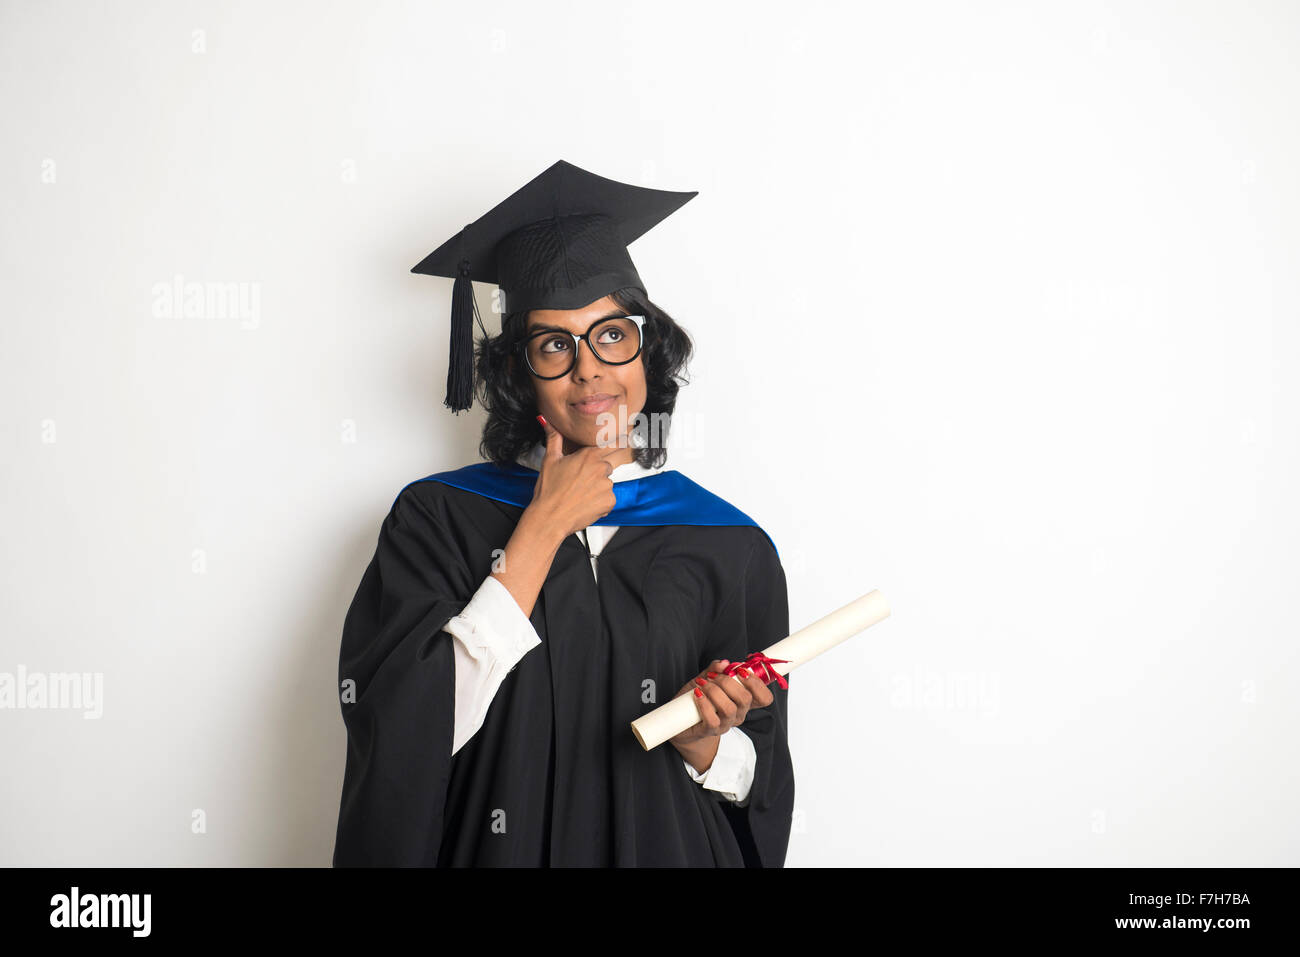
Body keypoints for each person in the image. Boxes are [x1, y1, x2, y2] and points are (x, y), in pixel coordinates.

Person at [332, 160, 794, 867]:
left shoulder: (729, 545)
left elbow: (758, 783)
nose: (590, 370)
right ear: (518, 370)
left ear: (649, 346)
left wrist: (704, 742)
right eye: (554, 345)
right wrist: (541, 528)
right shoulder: (437, 521)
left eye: (613, 334)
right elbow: (400, 743)